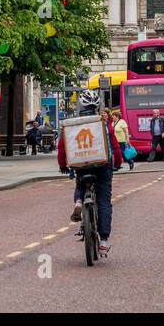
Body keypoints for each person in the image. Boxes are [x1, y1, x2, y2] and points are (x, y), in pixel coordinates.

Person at [57, 89, 122, 257]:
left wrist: (63, 165)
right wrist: (118, 163)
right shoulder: (104, 124)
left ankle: (79, 201)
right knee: (104, 201)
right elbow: (114, 146)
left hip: (82, 165)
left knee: (80, 182)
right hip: (102, 166)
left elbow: (62, 147)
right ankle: (104, 241)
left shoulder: (73, 125)